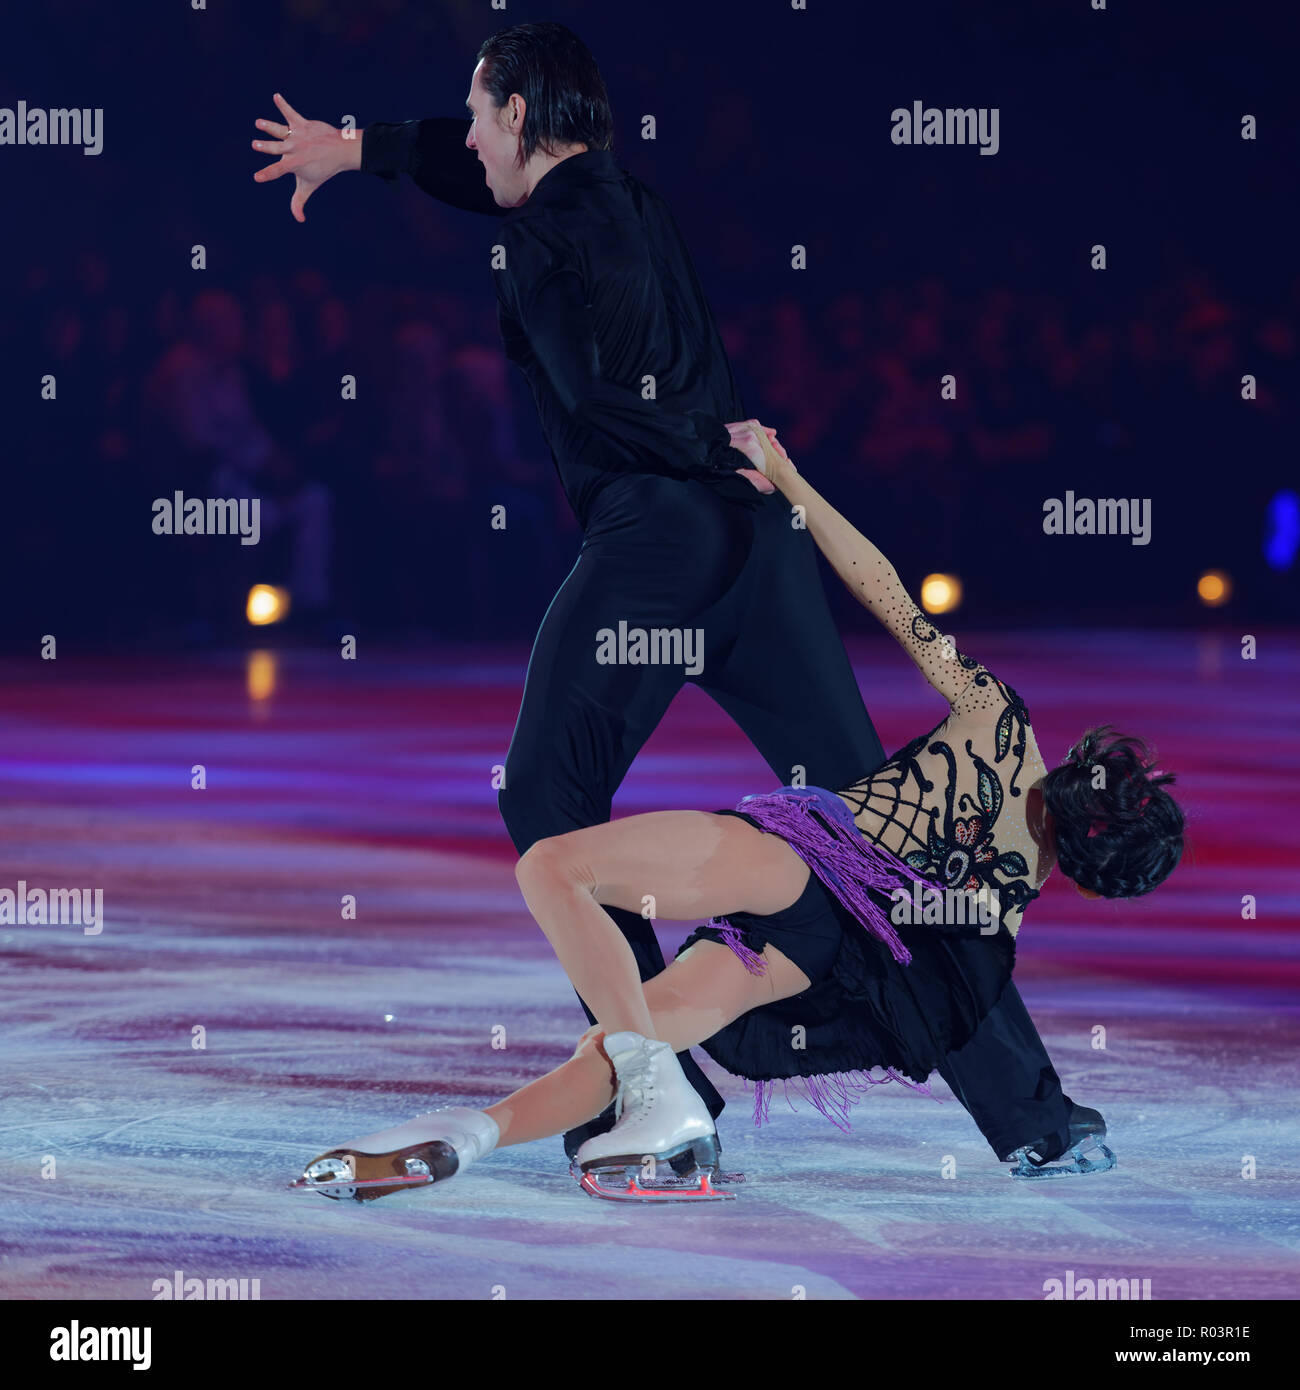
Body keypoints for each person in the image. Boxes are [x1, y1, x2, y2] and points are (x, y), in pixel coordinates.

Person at [256, 19, 1108, 1180]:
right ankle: (1036, 1120)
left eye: (474, 111)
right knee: (875, 836)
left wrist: (689, 446)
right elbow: (500, 176)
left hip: (659, 534)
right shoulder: (627, 197)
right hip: (755, 539)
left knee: (549, 793)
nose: (464, 133)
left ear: (515, 115)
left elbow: (595, 400)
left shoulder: (537, 247)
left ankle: (659, 1084)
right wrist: (368, 151)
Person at [292, 423, 1183, 1202]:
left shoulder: (1002, 720)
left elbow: (887, 593)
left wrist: (791, 480)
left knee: (553, 864)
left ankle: (652, 1099)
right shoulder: (1009, 908)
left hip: (793, 864)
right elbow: (929, 974)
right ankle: (474, 1135)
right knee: (626, 1037)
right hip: (811, 959)